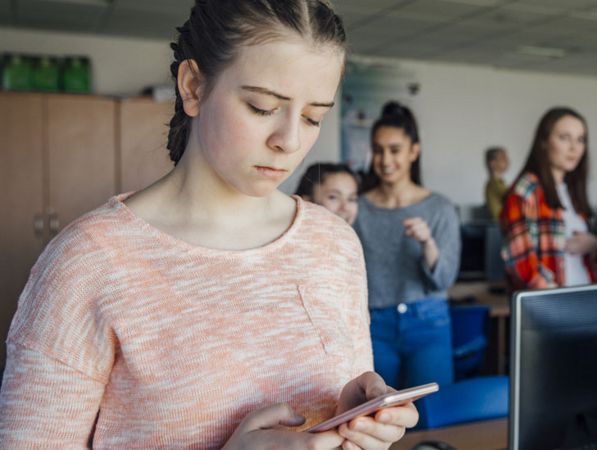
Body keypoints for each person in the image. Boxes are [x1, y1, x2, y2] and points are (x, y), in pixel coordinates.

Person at [0, 1, 417, 449]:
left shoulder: (334, 243)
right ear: (194, 87)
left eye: (314, 116)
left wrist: (356, 426)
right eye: (261, 107)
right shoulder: (89, 262)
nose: (290, 141)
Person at [354, 101, 461, 390]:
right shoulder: (358, 209)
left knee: (432, 415)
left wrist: (428, 243)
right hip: (374, 324)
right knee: (377, 418)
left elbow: (444, 279)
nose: (385, 159)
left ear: (414, 151)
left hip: (428, 321)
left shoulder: (440, 208)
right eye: (378, 150)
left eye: (395, 149)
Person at [499, 107, 597, 289]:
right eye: (564, 138)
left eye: (580, 140)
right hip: (552, 305)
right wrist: (550, 299)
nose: (574, 148)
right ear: (544, 141)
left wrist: (594, 244)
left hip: (583, 298)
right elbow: (518, 257)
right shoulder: (527, 189)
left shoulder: (572, 191)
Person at [484, 146, 509, 220]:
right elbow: (511, 198)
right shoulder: (494, 184)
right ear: (493, 163)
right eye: (503, 158)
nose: (507, 161)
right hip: (499, 226)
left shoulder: (500, 182)